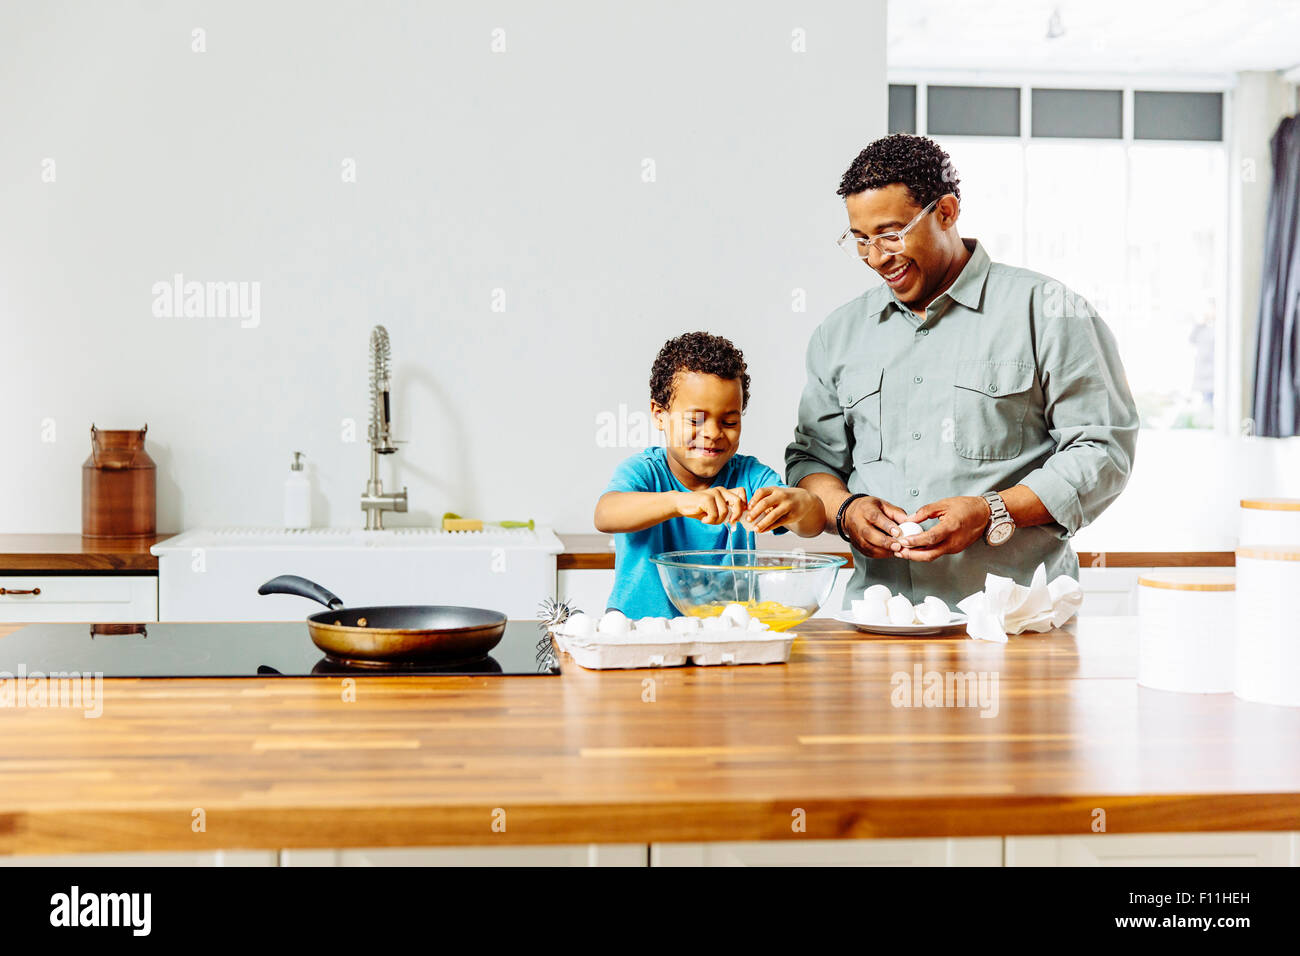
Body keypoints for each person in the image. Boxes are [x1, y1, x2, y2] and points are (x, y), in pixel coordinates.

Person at [786, 134, 1139, 608]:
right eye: (861, 240)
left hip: (1017, 625)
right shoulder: (839, 334)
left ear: (946, 212)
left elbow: (1103, 449)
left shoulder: (1050, 311)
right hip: (880, 617)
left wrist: (990, 511)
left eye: (891, 235)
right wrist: (846, 510)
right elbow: (812, 462)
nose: (875, 258)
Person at [596, 331, 825, 618]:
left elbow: (813, 523)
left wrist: (800, 503)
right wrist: (679, 502)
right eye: (695, 419)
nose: (714, 433)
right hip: (640, 635)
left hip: (723, 637)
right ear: (659, 414)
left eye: (730, 421)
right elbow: (606, 514)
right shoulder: (645, 472)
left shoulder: (751, 477)